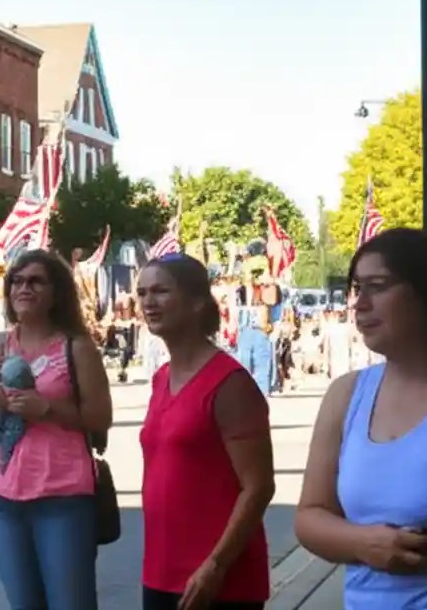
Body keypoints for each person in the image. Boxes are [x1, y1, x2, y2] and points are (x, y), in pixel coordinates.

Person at [295, 228, 427, 608]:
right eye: (357, 288)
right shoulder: (347, 394)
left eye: (378, 286)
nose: (359, 304)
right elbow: (310, 516)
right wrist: (362, 543)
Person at [0, 249, 112, 610]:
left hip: (62, 496)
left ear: (56, 292)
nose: (23, 287)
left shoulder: (76, 348)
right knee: (24, 604)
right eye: (16, 280)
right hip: (4, 495)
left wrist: (45, 407)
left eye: (35, 281)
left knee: (70, 603)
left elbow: (100, 418)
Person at [137, 254, 274, 610]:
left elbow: (258, 486)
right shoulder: (161, 378)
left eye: (161, 291)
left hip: (219, 579)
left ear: (197, 301)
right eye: (142, 293)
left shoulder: (230, 384)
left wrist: (216, 565)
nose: (148, 301)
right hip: (160, 570)